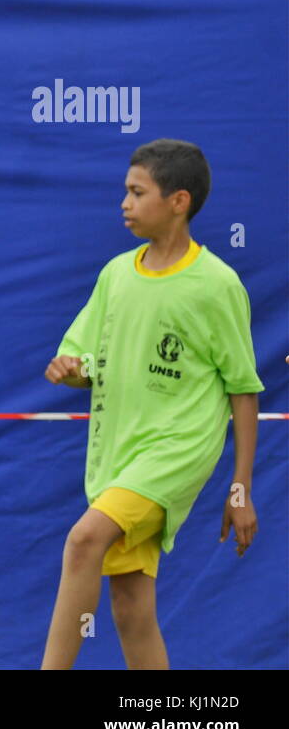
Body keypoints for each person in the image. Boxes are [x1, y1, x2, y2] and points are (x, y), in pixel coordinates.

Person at [40, 138, 264, 669]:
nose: (125, 203)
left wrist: (240, 489)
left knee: (82, 541)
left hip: (175, 454)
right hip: (117, 457)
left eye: (137, 192)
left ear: (178, 200)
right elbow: (86, 363)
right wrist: (70, 370)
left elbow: (243, 388)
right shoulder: (116, 274)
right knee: (131, 609)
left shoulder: (217, 285)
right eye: (125, 191)